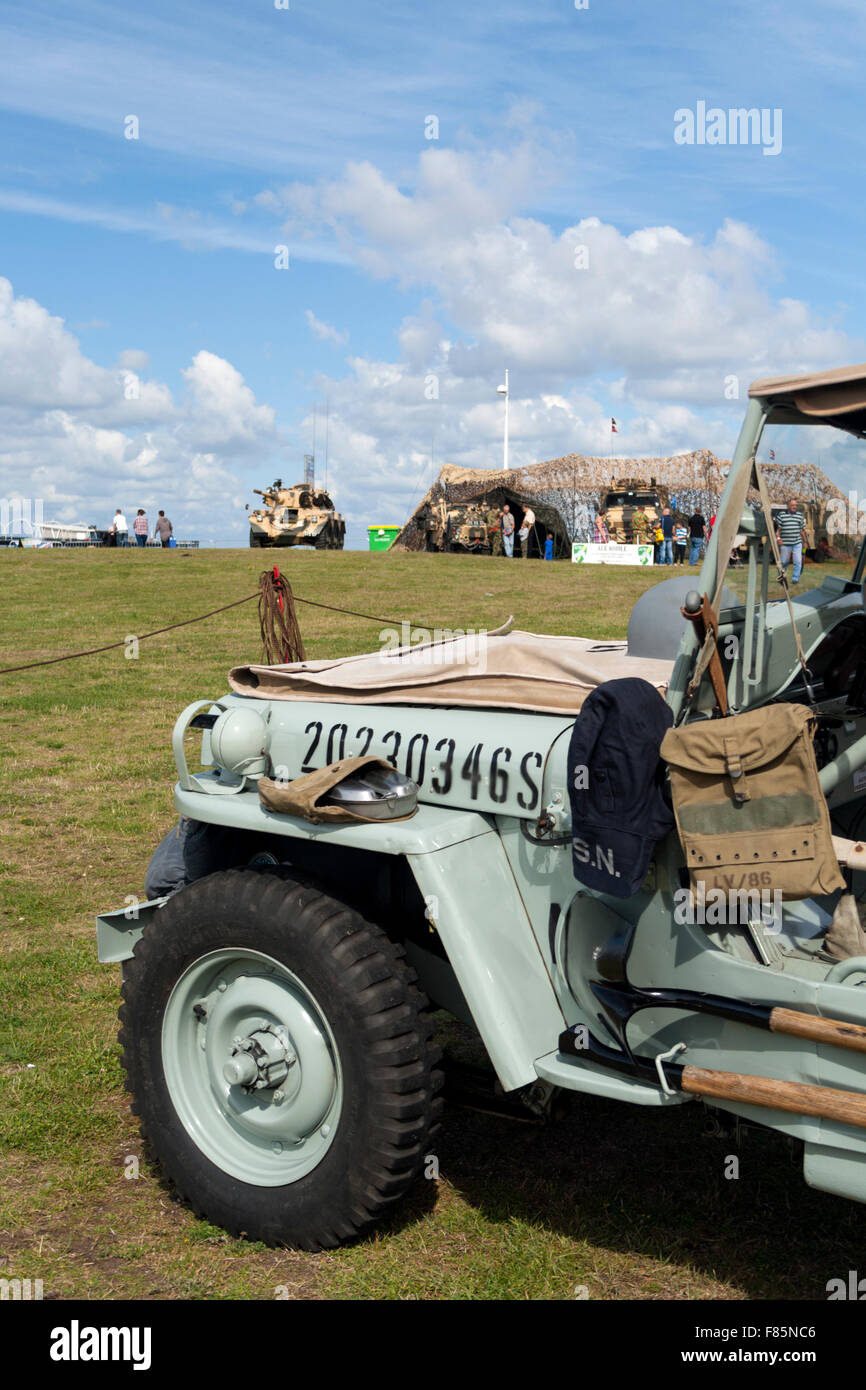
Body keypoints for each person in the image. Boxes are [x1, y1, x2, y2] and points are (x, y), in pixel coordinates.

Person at [775, 496, 807, 584]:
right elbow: (777, 530)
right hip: (785, 543)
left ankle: (795, 579)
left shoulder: (799, 516)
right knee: (784, 562)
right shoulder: (782, 515)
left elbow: (802, 530)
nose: (794, 507)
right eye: (792, 505)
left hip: (797, 543)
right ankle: (782, 577)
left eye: (796, 505)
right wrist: (778, 538)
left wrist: (805, 542)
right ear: (788, 506)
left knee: (798, 561)